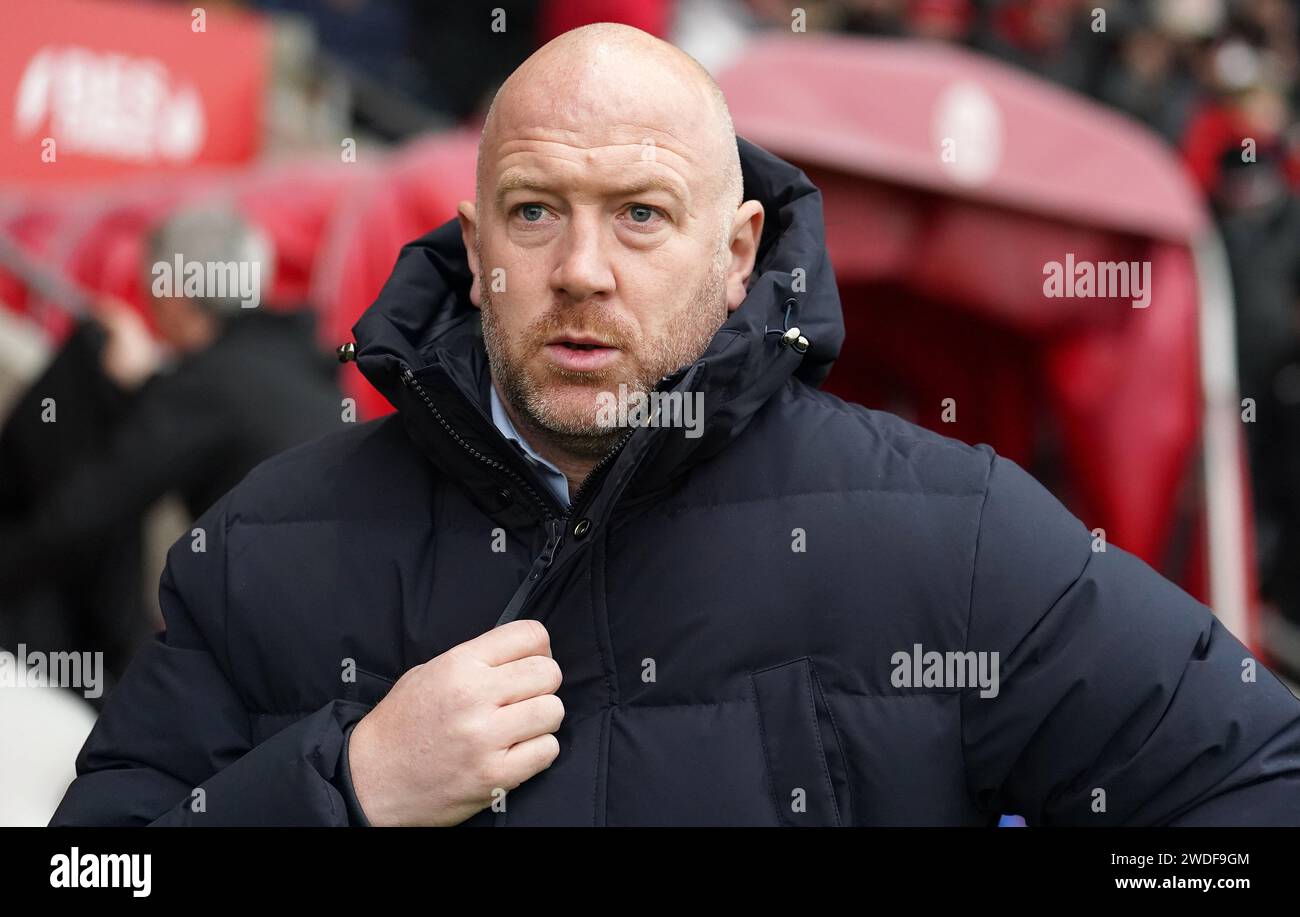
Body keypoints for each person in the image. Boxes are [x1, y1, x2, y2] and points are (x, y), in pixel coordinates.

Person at [52, 23, 1300, 827]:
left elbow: (1255, 786)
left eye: (640, 213)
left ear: (736, 248)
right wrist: (347, 789)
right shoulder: (270, 540)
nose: (583, 268)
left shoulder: (955, 536)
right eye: (537, 213)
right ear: (476, 251)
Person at [0, 207, 343, 689]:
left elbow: (90, 507)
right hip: (332, 632)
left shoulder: (211, 385)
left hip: (267, 651)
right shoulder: (300, 368)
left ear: (175, 296)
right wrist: (147, 390)